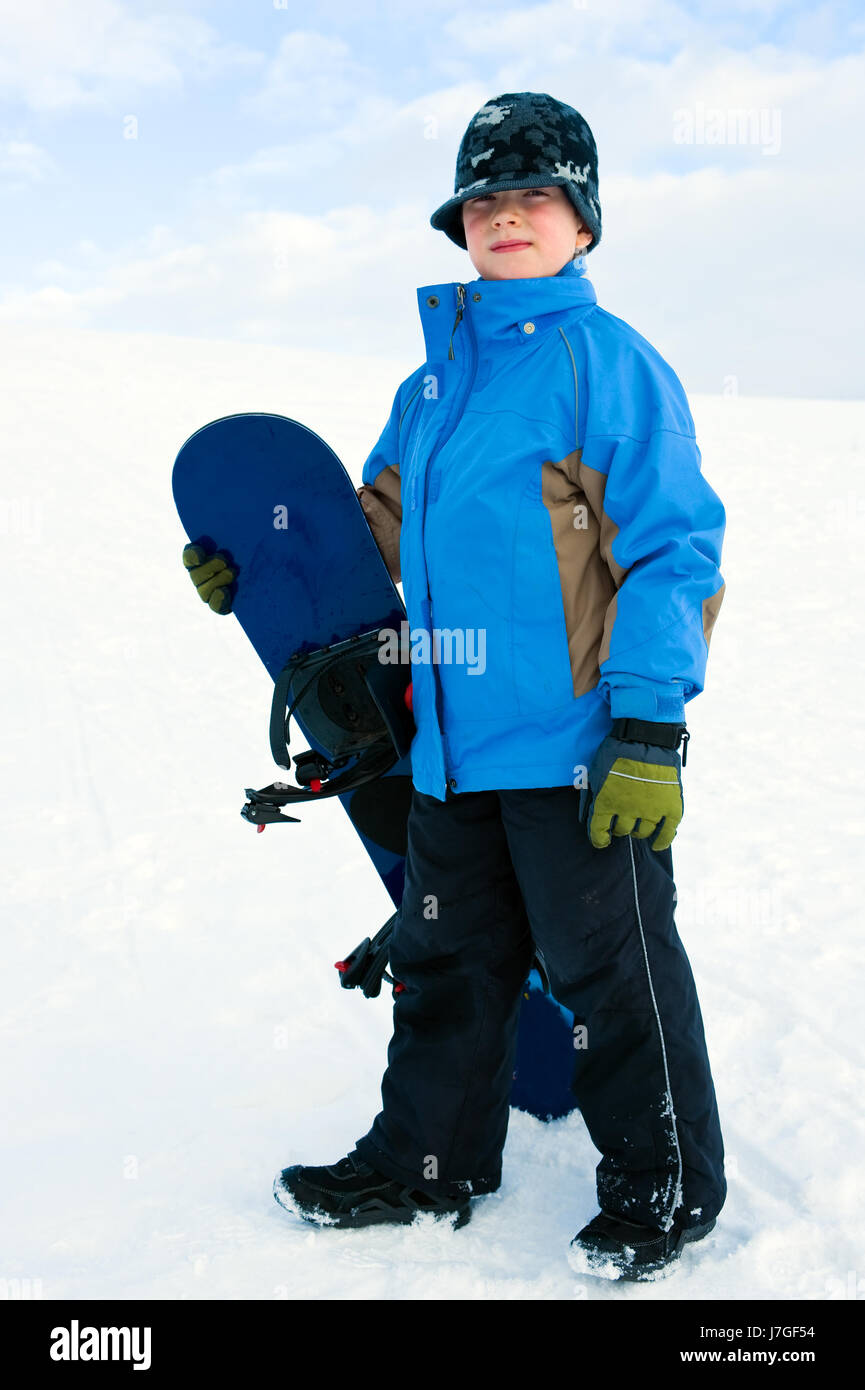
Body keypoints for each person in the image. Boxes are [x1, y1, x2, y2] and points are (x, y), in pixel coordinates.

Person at [185, 92, 728, 1282]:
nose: (507, 216)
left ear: (582, 221)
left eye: (535, 196)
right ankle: (425, 1163)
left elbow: (674, 551)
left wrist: (645, 723)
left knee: (611, 975)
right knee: (446, 967)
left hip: (577, 741)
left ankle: (664, 1188)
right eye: (485, 200)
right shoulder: (430, 389)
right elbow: (366, 530)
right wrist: (264, 565)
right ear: (460, 226)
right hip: (450, 747)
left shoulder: (607, 363)